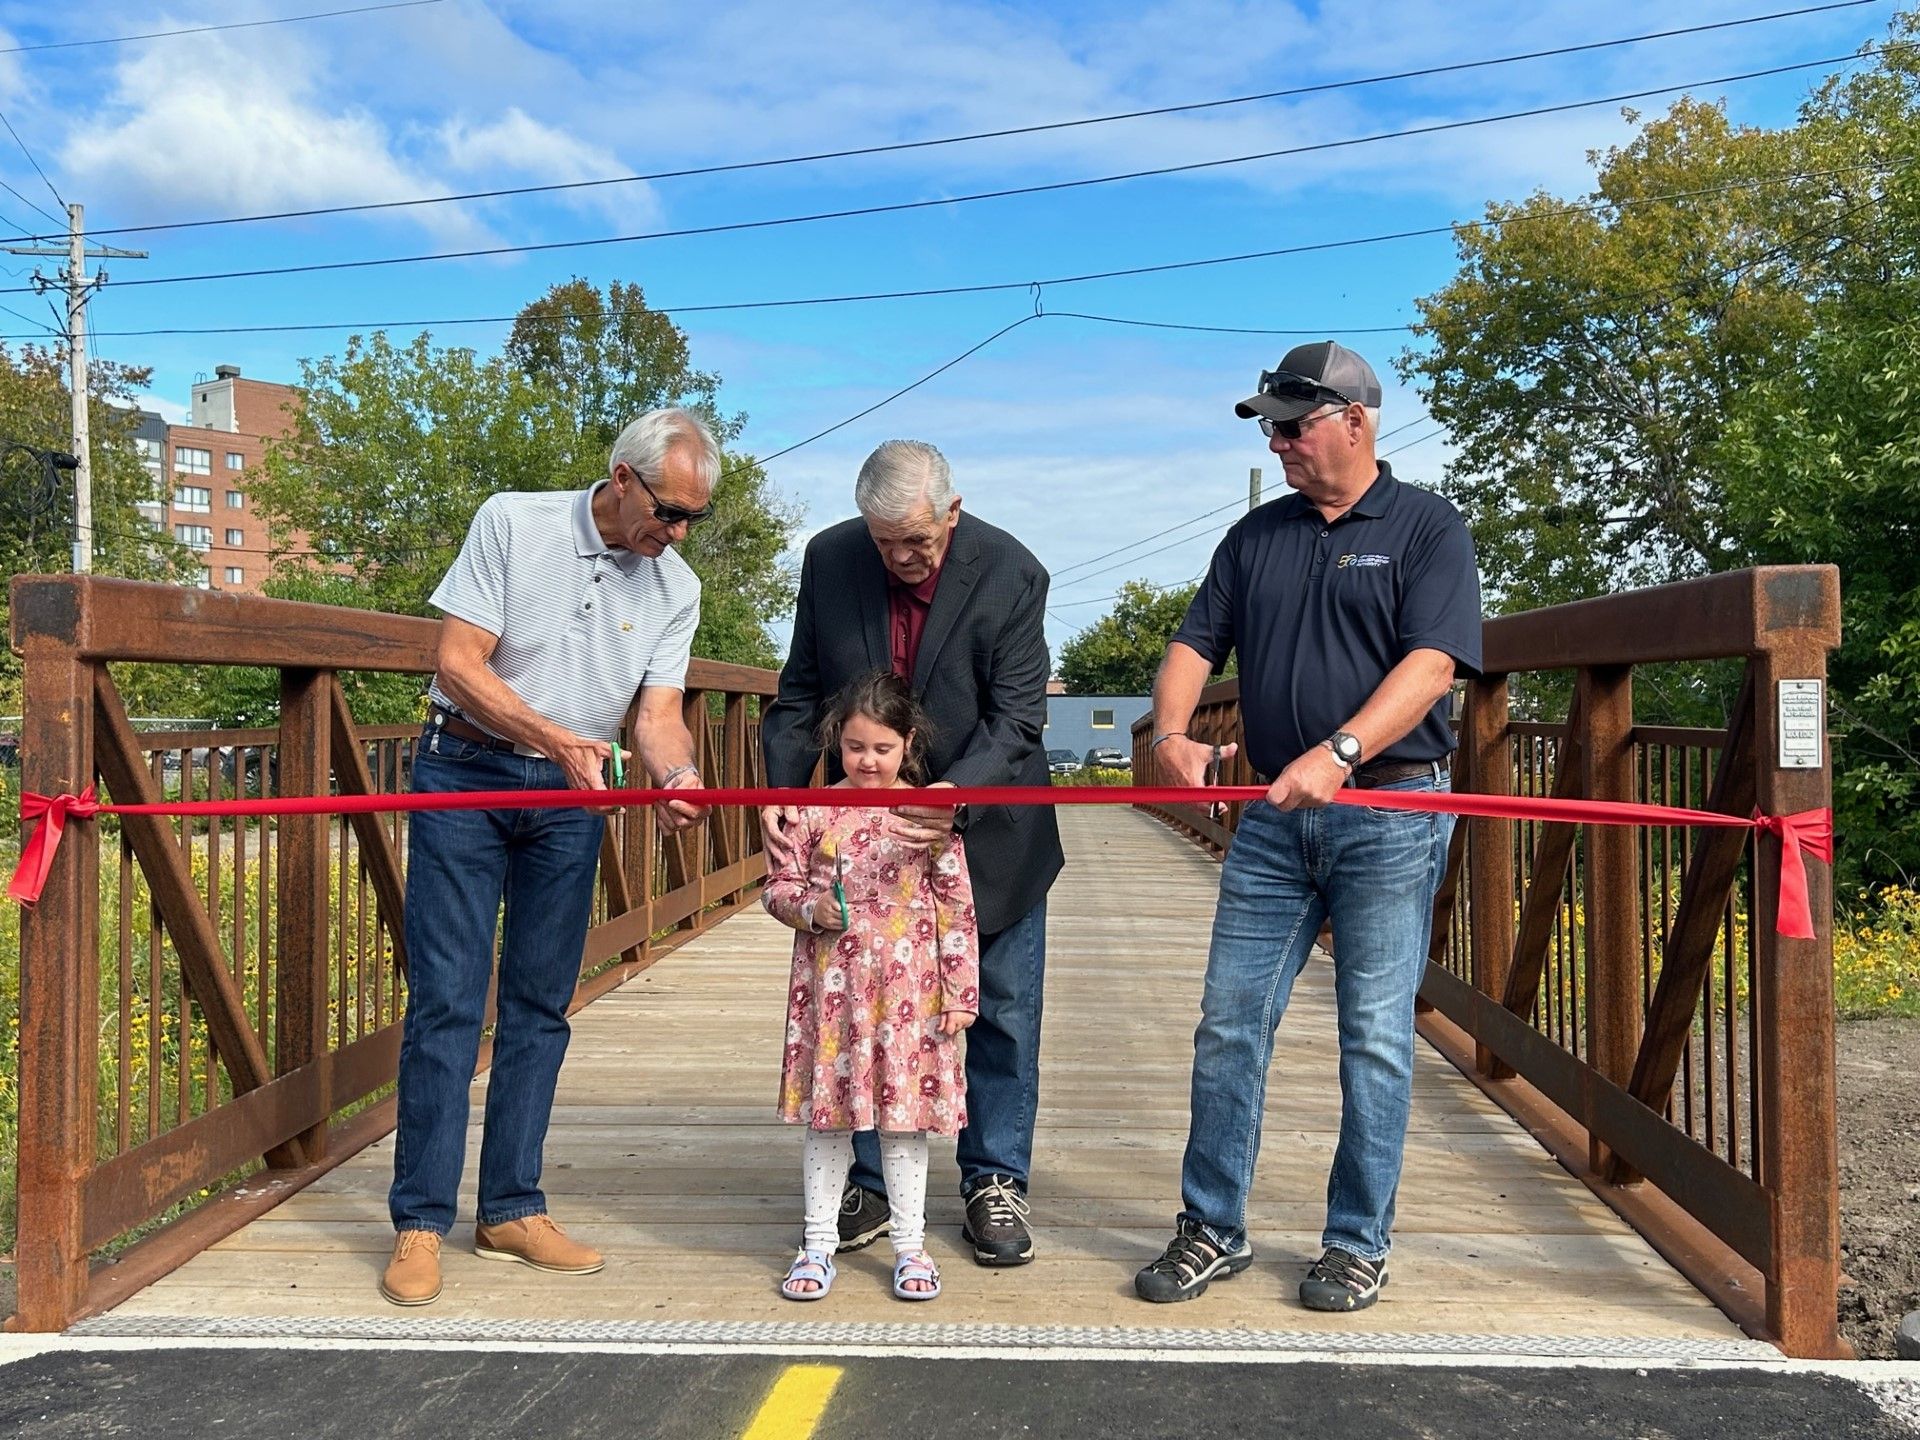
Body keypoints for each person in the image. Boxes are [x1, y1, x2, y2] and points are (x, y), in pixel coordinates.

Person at [1134, 342, 1482, 1313]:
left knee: (1373, 1036)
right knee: (1227, 1026)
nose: (1280, 443)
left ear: (1355, 422)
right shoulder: (1255, 539)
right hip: (1272, 823)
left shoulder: (1428, 528)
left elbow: (1434, 667)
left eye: (1293, 425)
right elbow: (1191, 645)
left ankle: (1357, 1243)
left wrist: (1340, 751)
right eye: (1272, 429)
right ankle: (1212, 1227)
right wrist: (1169, 730)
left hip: (1389, 810)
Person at [381, 407, 717, 1307]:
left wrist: (679, 774)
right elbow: (457, 661)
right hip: (465, 775)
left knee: (541, 1003)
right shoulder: (513, 521)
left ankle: (510, 1208)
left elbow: (654, 715)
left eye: (693, 519)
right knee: (449, 1000)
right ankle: (419, 1222)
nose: (676, 533)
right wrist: (557, 737)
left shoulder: (674, 587)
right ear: (620, 477)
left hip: (571, 798)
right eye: (668, 511)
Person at [761, 439, 1061, 1267]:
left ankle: (994, 1181)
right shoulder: (828, 559)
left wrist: (948, 794)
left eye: (918, 542)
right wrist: (782, 792)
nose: (900, 558)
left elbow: (1018, 720)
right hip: (862, 850)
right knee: (863, 1013)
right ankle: (871, 1183)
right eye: (885, 540)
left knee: (998, 1010)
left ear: (952, 514)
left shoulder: (1013, 571)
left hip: (989, 826)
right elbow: (798, 693)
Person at [762, 670, 980, 1302]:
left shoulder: (926, 815)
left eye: (882, 749)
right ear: (838, 742)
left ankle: (910, 1246)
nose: (868, 761)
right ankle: (817, 1244)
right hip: (833, 998)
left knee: (905, 1123)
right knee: (828, 1122)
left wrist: (960, 990)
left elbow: (955, 905)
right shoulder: (811, 811)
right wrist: (809, 911)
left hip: (909, 996)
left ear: (906, 744)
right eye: (856, 748)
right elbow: (778, 887)